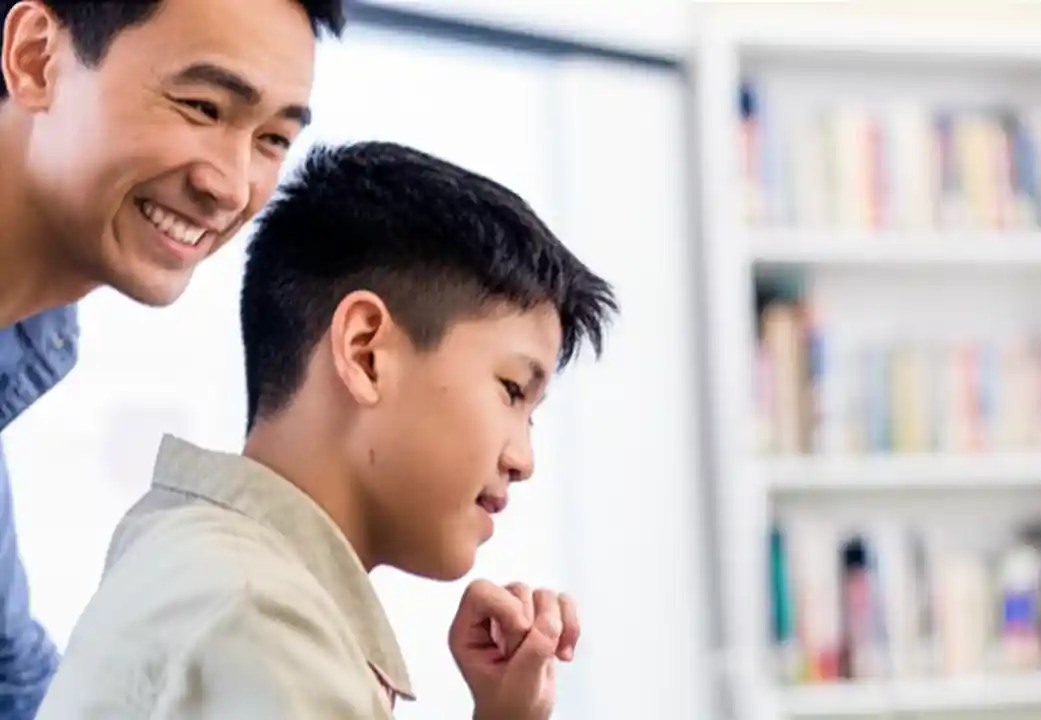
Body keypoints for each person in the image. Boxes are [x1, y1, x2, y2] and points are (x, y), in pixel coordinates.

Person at [35, 140, 617, 719]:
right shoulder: (263, 617)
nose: (524, 459)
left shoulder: (199, 560)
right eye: (511, 390)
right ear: (366, 352)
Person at [0, 0, 343, 715]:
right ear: (36, 59)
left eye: (273, 140)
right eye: (201, 107)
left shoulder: (34, 340)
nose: (231, 184)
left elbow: (24, 687)